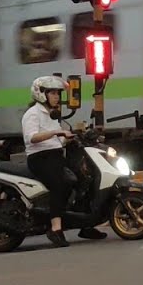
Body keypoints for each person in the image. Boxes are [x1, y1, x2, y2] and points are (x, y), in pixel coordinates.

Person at [22, 76, 105, 247]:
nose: (56, 97)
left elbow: (59, 141)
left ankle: (86, 225)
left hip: (56, 155)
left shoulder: (53, 115)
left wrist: (75, 136)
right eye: (52, 93)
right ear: (41, 94)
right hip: (40, 158)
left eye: (58, 93)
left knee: (85, 179)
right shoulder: (32, 114)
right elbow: (31, 138)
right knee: (61, 183)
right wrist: (57, 134)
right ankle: (55, 229)